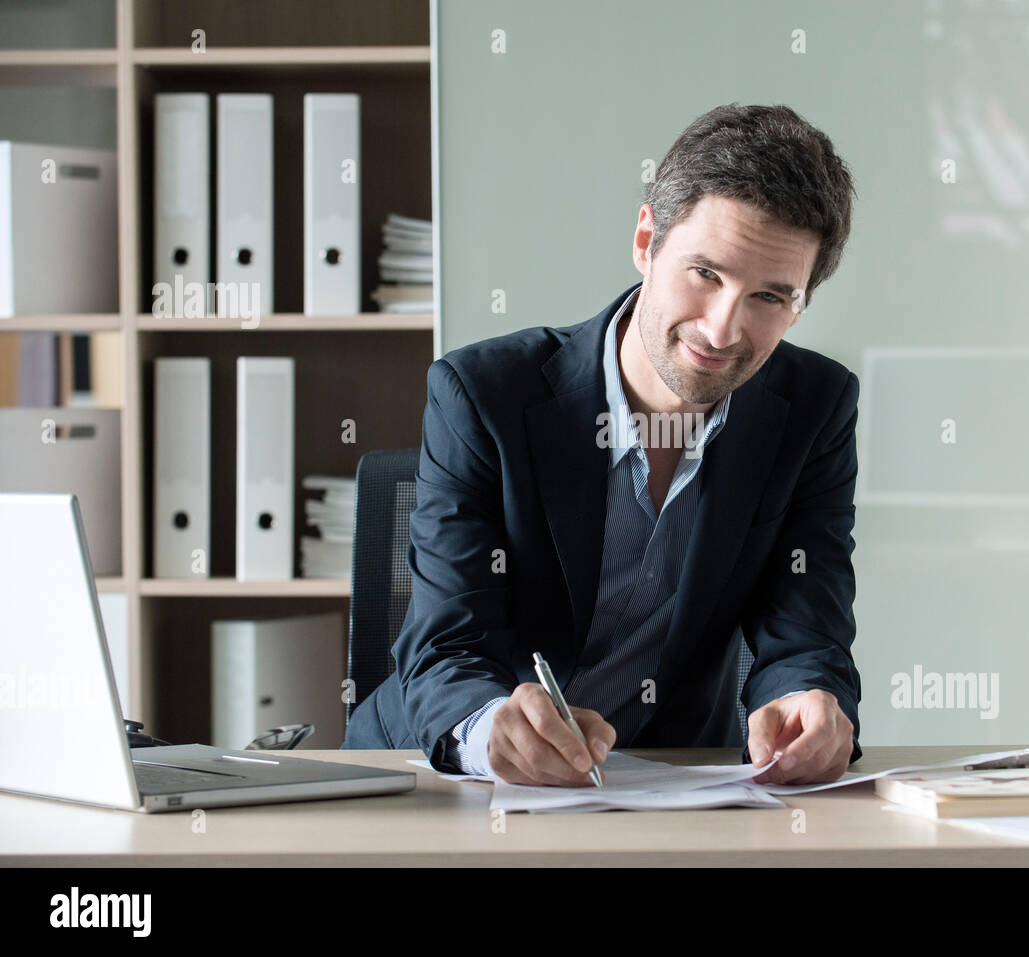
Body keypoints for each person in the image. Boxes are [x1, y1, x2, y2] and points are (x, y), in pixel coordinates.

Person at [344, 103, 862, 787]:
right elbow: (446, 646)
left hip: (666, 785)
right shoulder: (483, 394)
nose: (722, 328)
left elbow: (807, 621)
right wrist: (489, 725)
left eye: (770, 296)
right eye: (705, 273)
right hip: (434, 781)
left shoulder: (813, 407)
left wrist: (804, 698)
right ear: (646, 240)